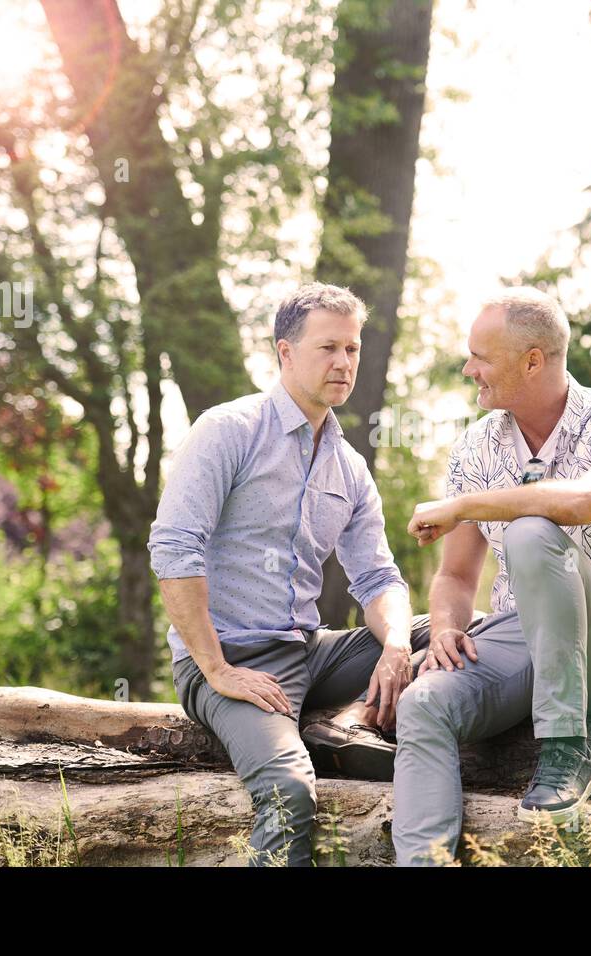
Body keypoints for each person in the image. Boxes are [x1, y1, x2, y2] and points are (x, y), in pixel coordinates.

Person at [349, 286, 591, 865]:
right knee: (425, 704)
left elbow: (581, 503)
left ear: (532, 360)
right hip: (524, 635)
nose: (468, 368)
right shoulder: (477, 445)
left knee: (531, 528)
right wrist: (447, 627)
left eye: (481, 356)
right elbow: (454, 576)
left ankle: (564, 750)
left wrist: (462, 507)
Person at [147, 282, 425, 866]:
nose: (344, 362)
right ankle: (321, 741)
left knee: (452, 633)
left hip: (310, 651)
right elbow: (174, 549)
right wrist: (216, 668)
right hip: (234, 659)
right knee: (289, 792)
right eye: (328, 348)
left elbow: (378, 579)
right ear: (285, 353)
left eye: (352, 349)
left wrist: (397, 644)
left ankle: (349, 725)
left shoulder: (348, 466)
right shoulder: (227, 431)